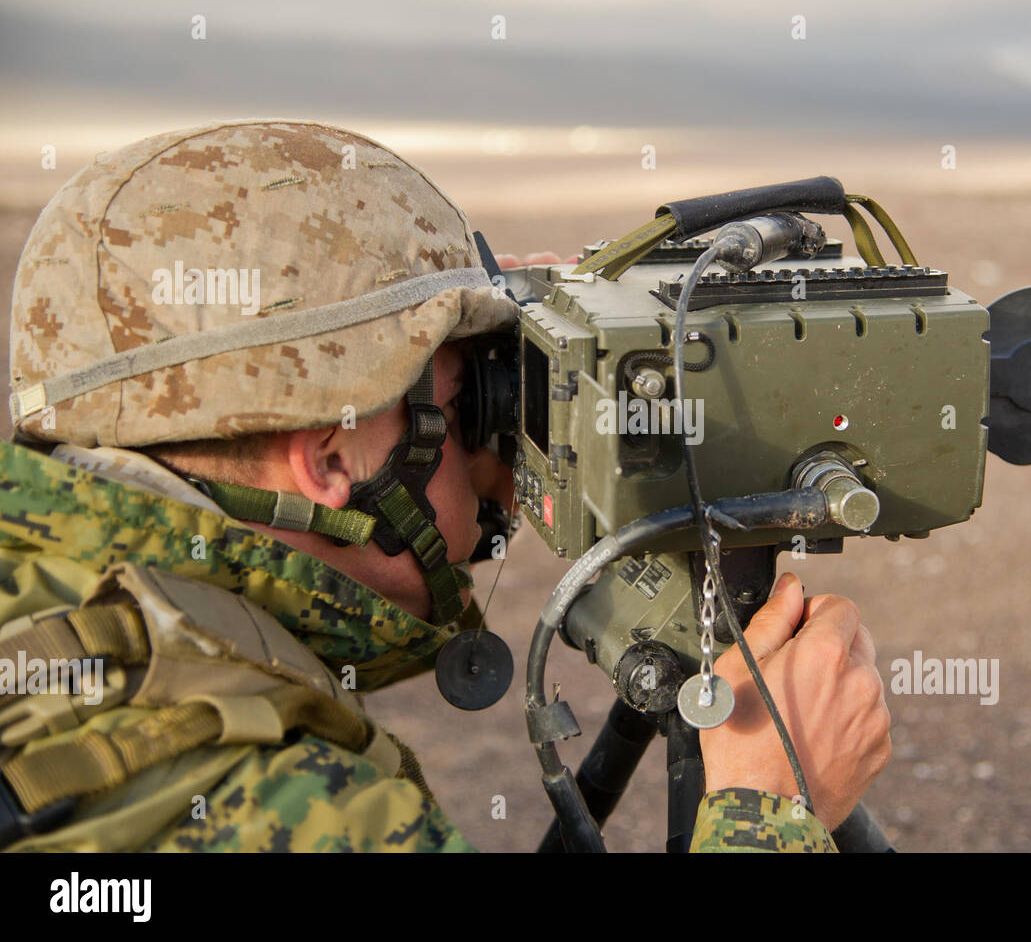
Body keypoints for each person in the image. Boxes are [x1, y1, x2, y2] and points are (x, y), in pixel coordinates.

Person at [0, 120, 890, 852]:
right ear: (336, 457)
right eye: (464, 406)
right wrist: (769, 813)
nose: (493, 459)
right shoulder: (291, 811)